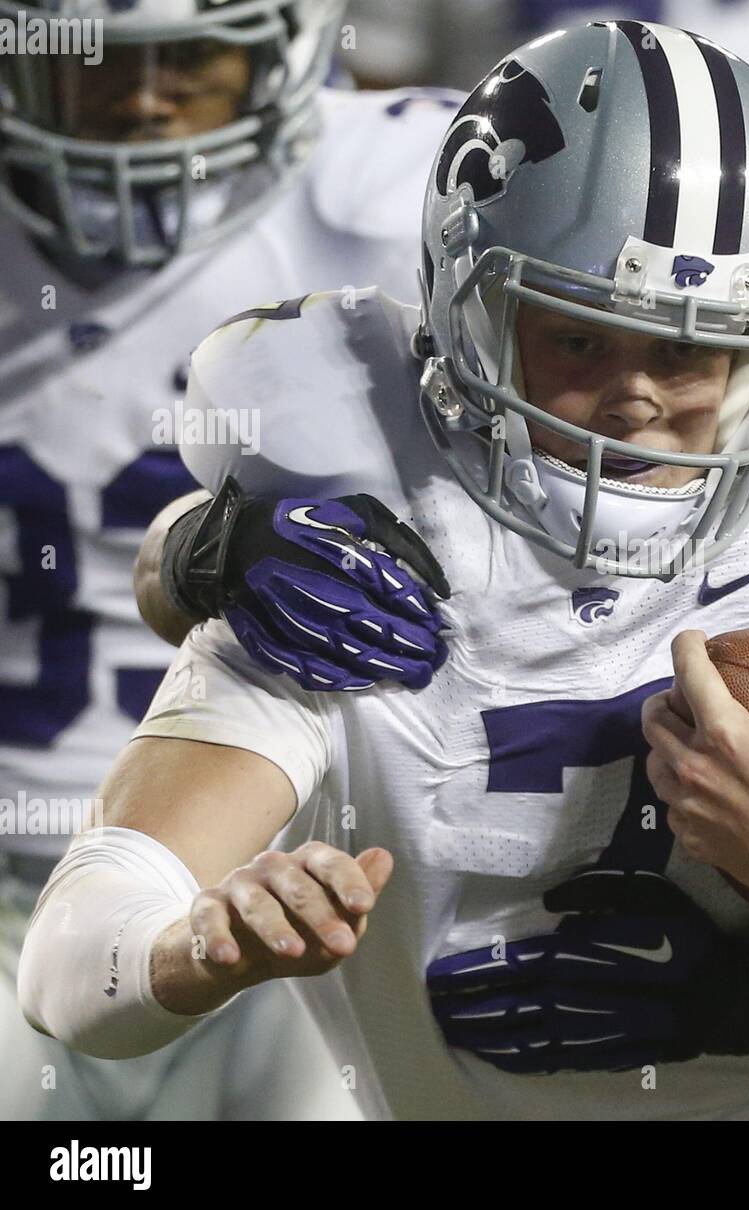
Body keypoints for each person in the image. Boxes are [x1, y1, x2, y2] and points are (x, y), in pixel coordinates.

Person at [24, 22, 749, 1121]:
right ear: (468, 312)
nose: (637, 396)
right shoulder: (355, 560)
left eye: (687, 347)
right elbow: (75, 964)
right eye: (577, 338)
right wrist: (198, 948)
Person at [0, 0, 464, 1120]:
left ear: (293, 47)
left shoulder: (415, 200)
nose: (143, 98)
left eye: (192, 61)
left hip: (306, 854)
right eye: (96, 60)